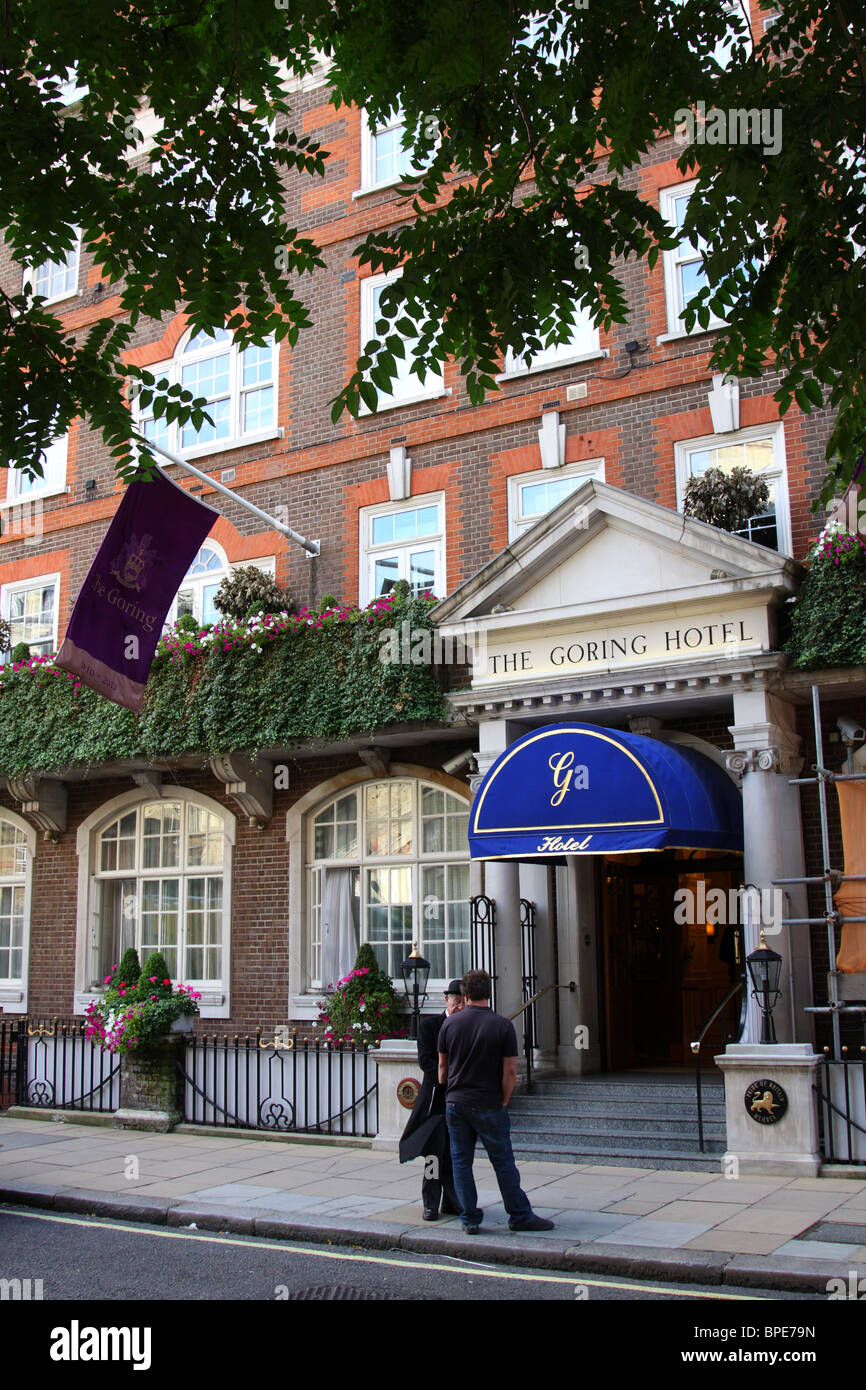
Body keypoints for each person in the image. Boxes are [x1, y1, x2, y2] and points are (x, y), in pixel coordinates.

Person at [438, 968, 554, 1235]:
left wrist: (448, 1094)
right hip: (488, 1102)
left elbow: (442, 1068)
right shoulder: (502, 1026)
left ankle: (469, 1218)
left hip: (456, 1102)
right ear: (488, 993)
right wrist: (503, 1099)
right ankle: (519, 1215)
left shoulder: (449, 1024)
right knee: (502, 1160)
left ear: (464, 994)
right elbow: (511, 1071)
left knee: (460, 1161)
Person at [398, 980, 465, 1220]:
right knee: (434, 1154)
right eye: (455, 1001)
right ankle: (430, 1202)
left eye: (463, 1002)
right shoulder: (429, 1026)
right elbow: (425, 1061)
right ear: (447, 1000)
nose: (459, 1006)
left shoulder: (466, 1027)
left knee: (454, 1153)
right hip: (435, 1100)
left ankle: (452, 1201)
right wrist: (448, 1075)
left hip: (458, 1099)